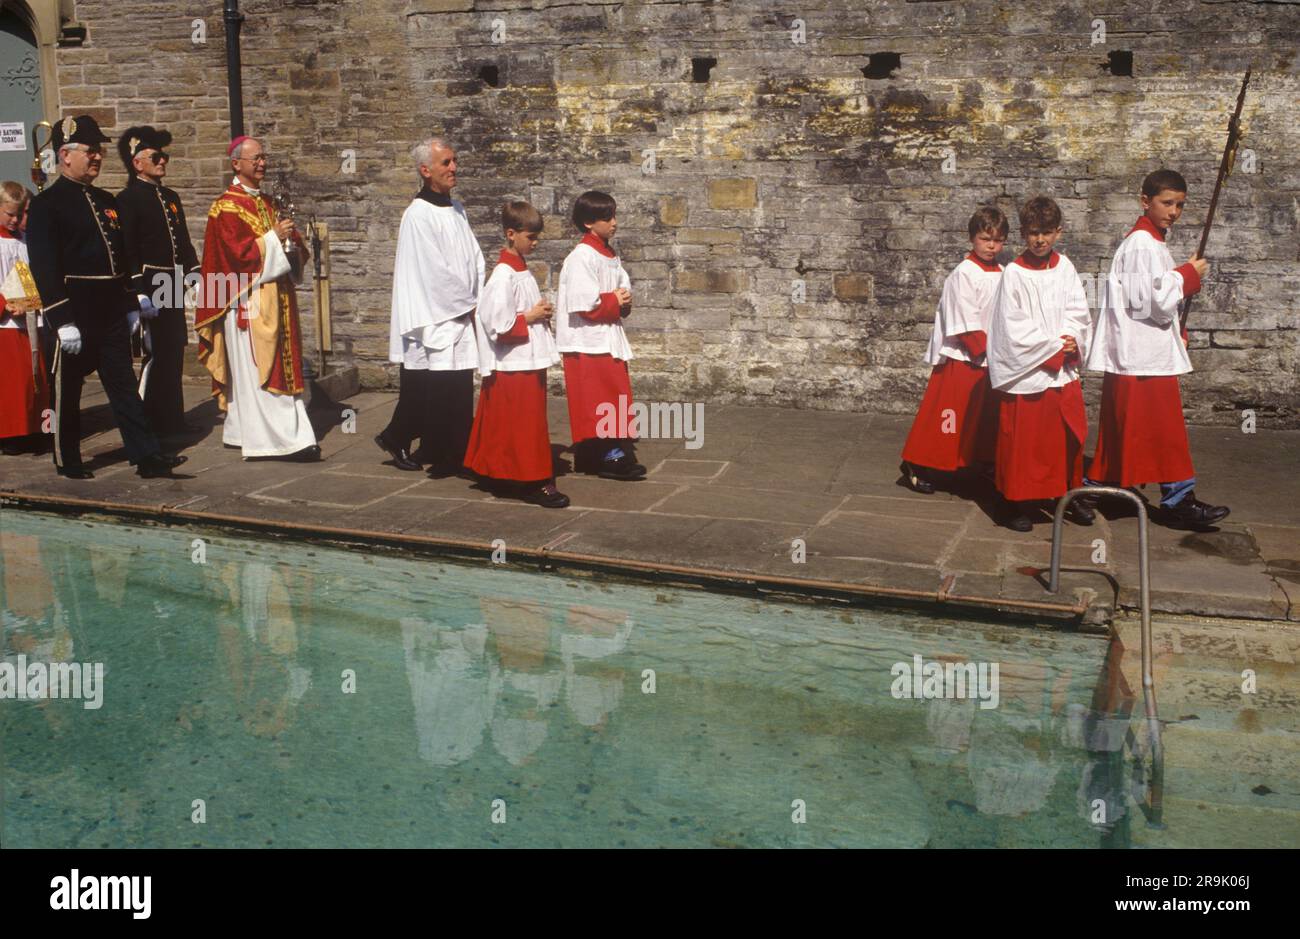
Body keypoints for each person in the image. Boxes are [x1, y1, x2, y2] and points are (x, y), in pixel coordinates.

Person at [24, 115, 185, 479]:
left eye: (99, 151)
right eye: (89, 151)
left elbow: (122, 257)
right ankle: (68, 458)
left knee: (124, 387)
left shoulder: (105, 199)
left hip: (111, 308)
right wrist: (61, 320)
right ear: (65, 155)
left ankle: (147, 455)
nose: (97, 157)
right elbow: (44, 265)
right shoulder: (48, 204)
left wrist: (131, 302)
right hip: (76, 310)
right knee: (67, 390)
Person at [1084, 169, 1229, 530]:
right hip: (1139, 357)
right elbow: (1148, 300)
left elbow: (1154, 300)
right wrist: (1187, 274)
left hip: (1143, 352)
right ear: (1145, 201)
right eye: (1167, 203)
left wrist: (1174, 331)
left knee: (1130, 430)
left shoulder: (1153, 242)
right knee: (1161, 432)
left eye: (1180, 204)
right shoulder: (1140, 245)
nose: (1174, 211)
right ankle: (1177, 499)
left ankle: (1097, 487)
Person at [195, 136, 319, 461]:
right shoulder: (225, 207)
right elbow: (233, 258)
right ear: (237, 163)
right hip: (248, 302)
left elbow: (280, 246)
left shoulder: (267, 202)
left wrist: (293, 241)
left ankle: (242, 431)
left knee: (269, 366)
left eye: (264, 157)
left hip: (278, 296)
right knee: (259, 370)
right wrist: (272, 238)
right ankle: (280, 441)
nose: (262, 163)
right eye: (256, 158)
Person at [986, 196, 1093, 531]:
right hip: (1028, 374)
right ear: (1023, 233)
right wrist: (1050, 348)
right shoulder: (1014, 274)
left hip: (1061, 371)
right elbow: (1010, 326)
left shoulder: (1066, 267)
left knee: (1064, 439)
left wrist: (1074, 338)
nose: (1040, 239)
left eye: (1046, 232)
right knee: (1024, 443)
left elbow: (1078, 310)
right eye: (1033, 232)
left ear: (1058, 232)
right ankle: (1013, 501)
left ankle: (1064, 495)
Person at [378, 138, 483, 476]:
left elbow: (474, 258)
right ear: (426, 171)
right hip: (433, 314)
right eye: (446, 163)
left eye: (454, 161)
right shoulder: (418, 215)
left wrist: (478, 292)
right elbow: (433, 270)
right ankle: (399, 438)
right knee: (429, 388)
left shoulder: (456, 209)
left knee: (454, 386)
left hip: (459, 309)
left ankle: (446, 448)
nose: (454, 168)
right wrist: (466, 302)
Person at [463, 201, 568, 507]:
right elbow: (496, 324)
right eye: (530, 237)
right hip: (514, 362)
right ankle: (532, 480)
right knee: (524, 424)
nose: (535, 243)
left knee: (514, 422)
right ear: (511, 234)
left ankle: (498, 471)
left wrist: (538, 313)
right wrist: (532, 316)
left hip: (526, 358)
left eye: (537, 237)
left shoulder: (519, 270)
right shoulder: (502, 277)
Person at [899, 206, 1006, 493]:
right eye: (986, 238)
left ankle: (980, 462)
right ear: (972, 238)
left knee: (984, 417)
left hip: (994, 358)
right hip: (965, 358)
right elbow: (965, 319)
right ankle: (918, 463)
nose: (992, 245)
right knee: (948, 418)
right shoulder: (964, 274)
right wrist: (983, 350)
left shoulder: (1005, 273)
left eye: (998, 239)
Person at [116, 125, 201, 436]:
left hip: (174, 285)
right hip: (151, 287)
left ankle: (172, 419)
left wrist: (195, 275)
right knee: (155, 354)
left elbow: (183, 241)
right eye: (156, 156)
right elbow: (128, 249)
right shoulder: (127, 199)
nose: (163, 161)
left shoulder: (171, 196)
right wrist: (138, 292)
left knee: (174, 350)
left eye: (164, 156)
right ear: (138, 162)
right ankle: (148, 423)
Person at [555, 191, 644, 480]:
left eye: (614, 215)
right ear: (589, 223)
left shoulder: (608, 254)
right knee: (597, 399)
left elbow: (621, 289)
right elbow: (585, 304)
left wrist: (624, 300)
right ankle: (606, 454)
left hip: (607, 337)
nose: (614, 223)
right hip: (587, 341)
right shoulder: (581, 257)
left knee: (614, 395)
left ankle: (606, 450)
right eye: (607, 218)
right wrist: (615, 301)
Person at [0, 181, 50, 455]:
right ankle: (11, 435)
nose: (15, 220)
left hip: (32, 319)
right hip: (6, 326)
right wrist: (6, 305)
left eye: (19, 215)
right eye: (9, 214)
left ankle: (37, 429)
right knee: (12, 384)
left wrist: (34, 302)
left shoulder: (25, 242)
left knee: (36, 380)